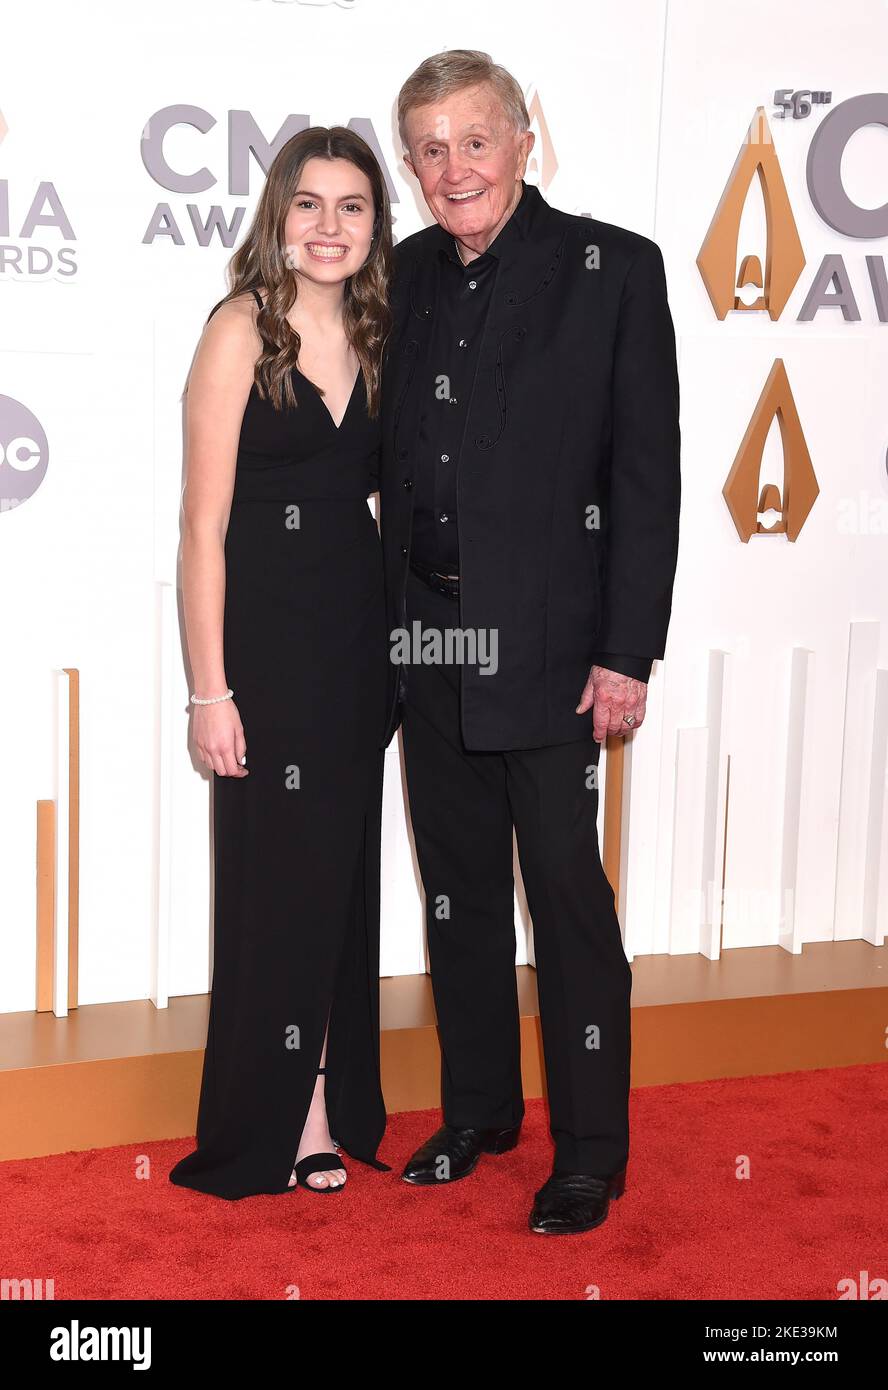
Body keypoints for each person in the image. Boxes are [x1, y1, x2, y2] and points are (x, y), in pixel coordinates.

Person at [379, 51, 681, 1234]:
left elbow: (643, 479)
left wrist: (627, 653)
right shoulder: (400, 273)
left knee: (563, 899)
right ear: (411, 167)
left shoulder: (612, 270)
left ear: (524, 140)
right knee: (454, 889)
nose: (455, 167)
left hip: (554, 652)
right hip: (429, 637)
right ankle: (480, 1111)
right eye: (431, 147)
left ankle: (591, 1153)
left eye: (475, 140)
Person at [168, 127, 393, 1200]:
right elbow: (201, 527)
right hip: (265, 649)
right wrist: (209, 690)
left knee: (338, 884)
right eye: (310, 205)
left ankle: (336, 1098)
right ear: (278, 215)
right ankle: (289, 1112)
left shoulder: (379, 332)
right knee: (281, 888)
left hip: (356, 650)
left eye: (353, 207)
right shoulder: (239, 331)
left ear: (374, 226)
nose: (330, 227)